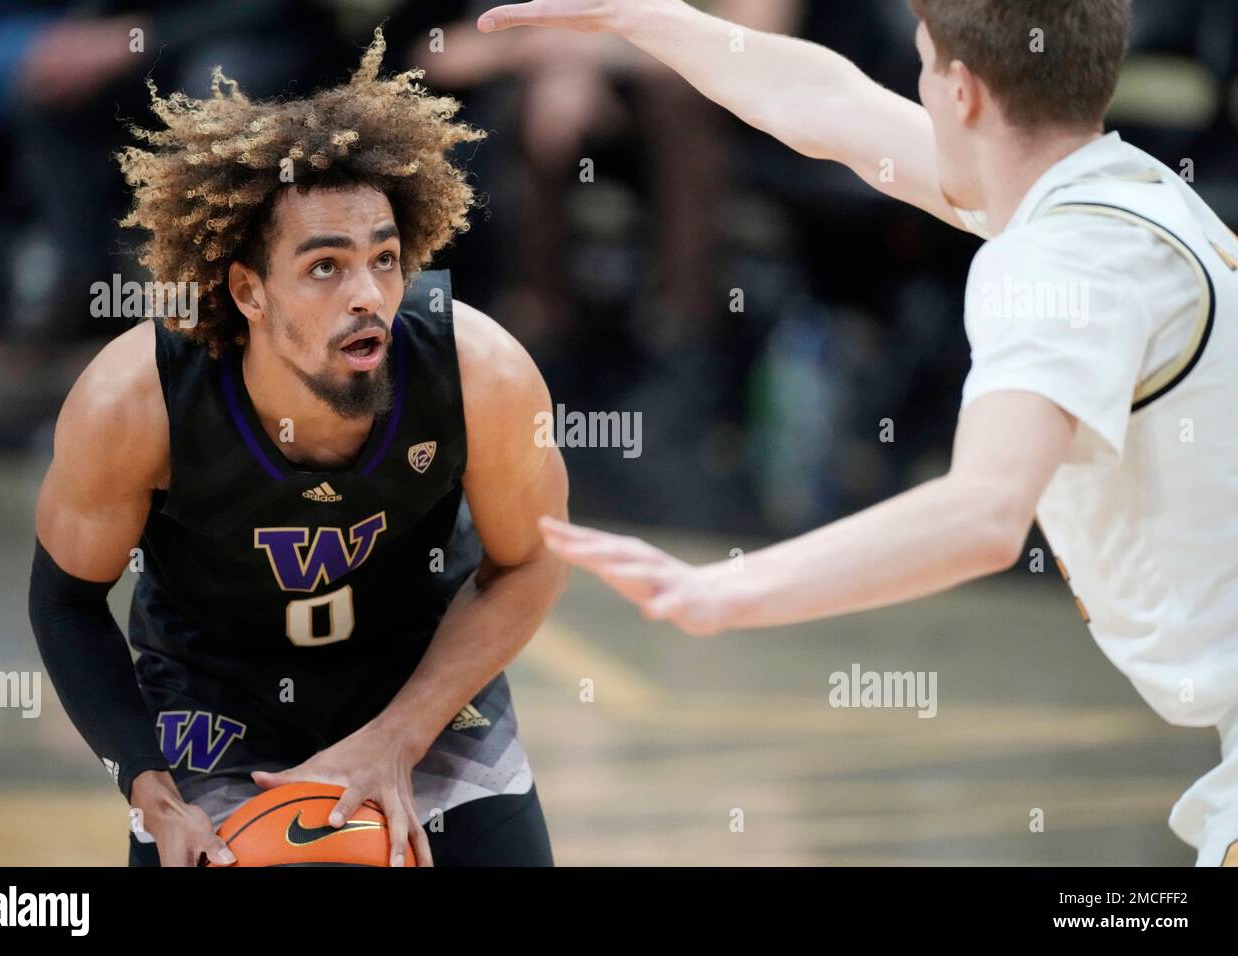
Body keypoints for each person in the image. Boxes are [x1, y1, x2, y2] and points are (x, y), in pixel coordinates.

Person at [479, 0, 1238, 866]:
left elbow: (986, 514)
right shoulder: (1116, 188)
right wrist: (643, 15)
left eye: (918, 65)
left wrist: (726, 592)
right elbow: (834, 110)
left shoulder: (1061, 264)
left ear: (959, 93)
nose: (909, 90)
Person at [28, 31, 569, 867]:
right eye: (324, 267)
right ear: (247, 289)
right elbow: (66, 603)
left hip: (418, 685)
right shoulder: (134, 401)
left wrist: (397, 736)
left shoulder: (481, 373)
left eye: (385, 260)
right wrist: (150, 789)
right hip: (212, 709)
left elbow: (531, 563)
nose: (368, 297)